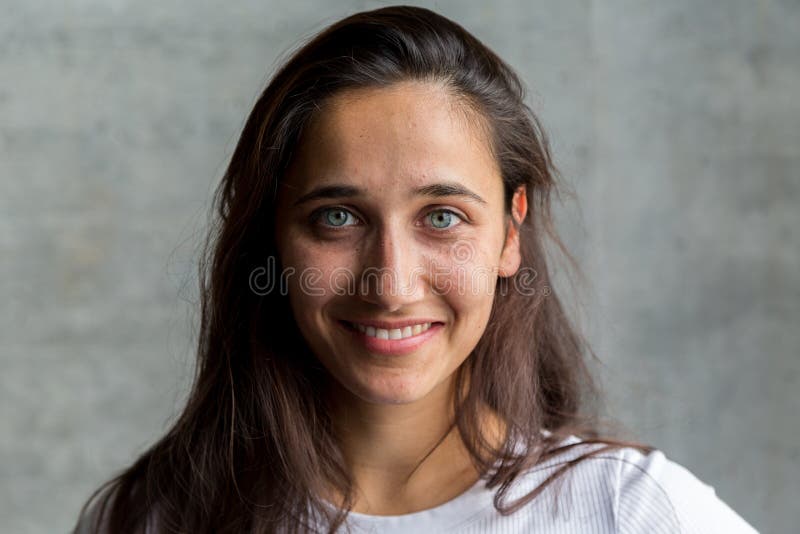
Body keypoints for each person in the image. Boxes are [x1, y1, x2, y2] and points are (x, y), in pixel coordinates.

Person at [73, 5, 759, 533]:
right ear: (272, 239)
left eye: (442, 217)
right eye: (337, 217)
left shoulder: (625, 511)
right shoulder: (159, 518)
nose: (392, 285)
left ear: (510, 231)